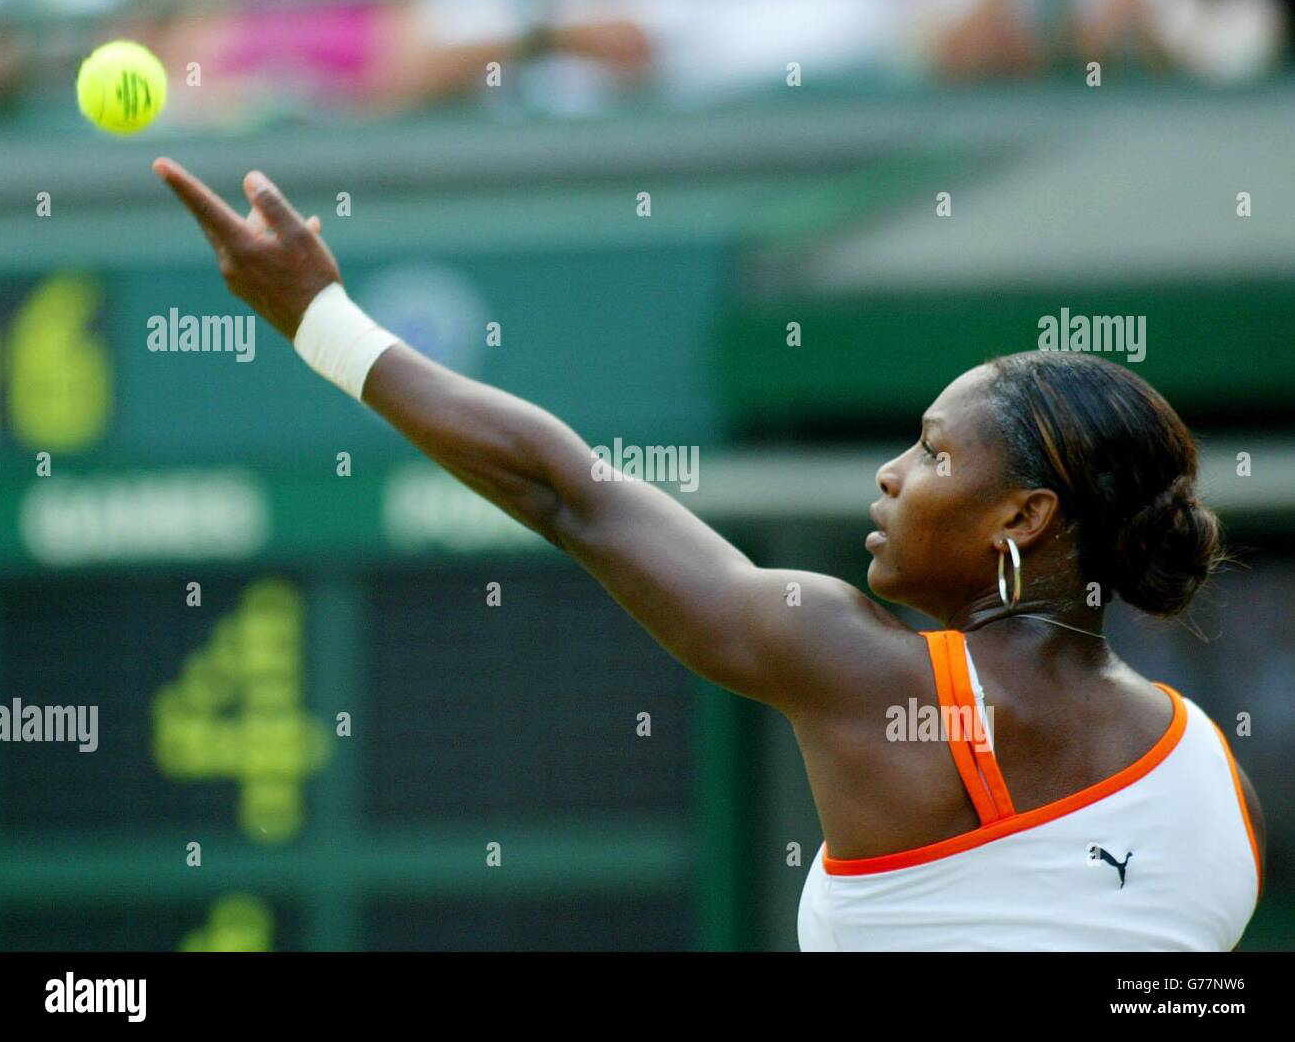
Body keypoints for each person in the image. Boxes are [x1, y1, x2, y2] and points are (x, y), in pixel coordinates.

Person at [152, 157, 1264, 951]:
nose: (889, 473)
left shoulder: (873, 675)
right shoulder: (1221, 782)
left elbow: (567, 493)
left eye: (928, 452)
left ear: (1021, 518)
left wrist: (320, 319)